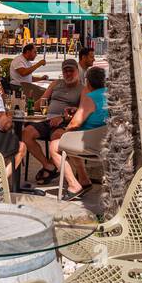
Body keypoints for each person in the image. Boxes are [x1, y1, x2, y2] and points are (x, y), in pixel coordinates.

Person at [21, 58, 84, 184]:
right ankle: (48, 165)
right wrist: (27, 107)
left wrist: (62, 117)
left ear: (77, 71)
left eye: (71, 70)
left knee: (56, 138)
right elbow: (42, 102)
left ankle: (51, 167)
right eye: (65, 71)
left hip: (66, 122)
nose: (68, 74)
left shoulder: (82, 88)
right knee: (26, 133)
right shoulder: (55, 84)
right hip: (46, 119)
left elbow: (82, 110)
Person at [57, 66, 108, 201]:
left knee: (54, 146)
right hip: (105, 140)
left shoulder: (90, 97)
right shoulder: (111, 94)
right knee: (69, 144)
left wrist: (65, 132)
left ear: (88, 83)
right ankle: (84, 180)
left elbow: (75, 123)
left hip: (88, 143)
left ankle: (74, 185)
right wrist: (78, 109)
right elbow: (96, 112)